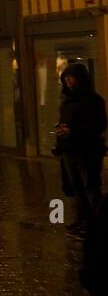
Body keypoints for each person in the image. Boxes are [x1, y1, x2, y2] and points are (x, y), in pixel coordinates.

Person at [55, 62, 105, 233]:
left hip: (87, 151)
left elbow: (98, 126)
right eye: (66, 77)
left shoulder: (93, 100)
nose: (68, 81)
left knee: (90, 186)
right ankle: (81, 218)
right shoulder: (67, 100)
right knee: (75, 187)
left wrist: (73, 131)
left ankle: (98, 222)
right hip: (69, 150)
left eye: (71, 77)